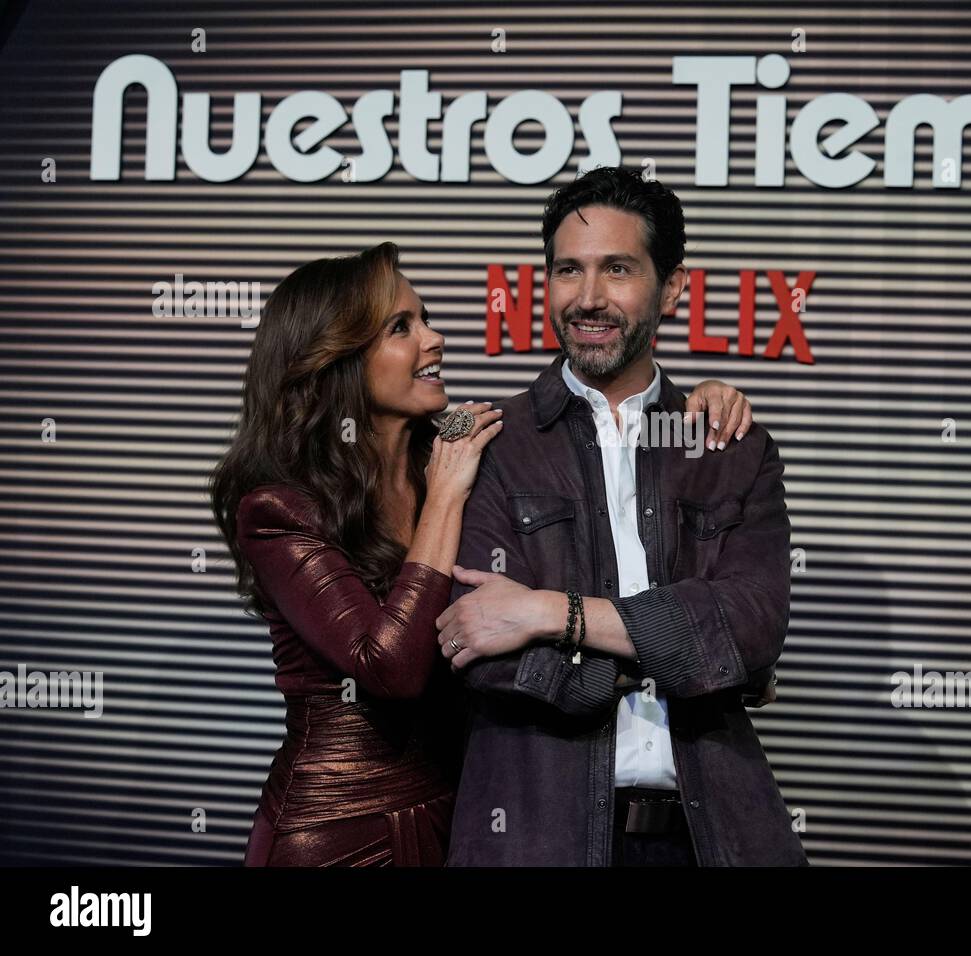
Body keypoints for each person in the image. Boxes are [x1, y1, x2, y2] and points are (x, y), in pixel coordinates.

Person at [209, 240, 753, 866]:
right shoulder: (280, 509)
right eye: (401, 327)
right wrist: (443, 495)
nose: (434, 338)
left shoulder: (468, 450)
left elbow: (591, 407)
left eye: (426, 317)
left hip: (463, 817)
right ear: (336, 359)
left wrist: (696, 399)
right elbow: (392, 669)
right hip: (339, 829)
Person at [435, 167, 808, 866]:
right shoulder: (488, 440)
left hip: (710, 842)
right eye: (568, 270)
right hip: (538, 840)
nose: (589, 298)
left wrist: (552, 613)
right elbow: (478, 650)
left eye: (618, 270)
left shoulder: (727, 444)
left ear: (672, 287)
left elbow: (752, 631)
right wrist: (686, 657)